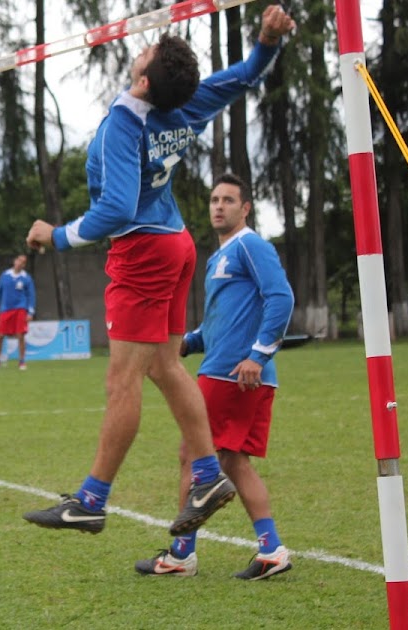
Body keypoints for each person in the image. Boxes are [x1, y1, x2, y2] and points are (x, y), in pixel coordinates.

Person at [22, 6, 296, 547]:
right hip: (176, 244)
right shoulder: (185, 104)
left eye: (145, 53)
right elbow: (243, 76)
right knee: (167, 367)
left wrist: (53, 236)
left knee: (121, 380)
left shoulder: (124, 125)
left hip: (144, 250)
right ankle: (206, 475)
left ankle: (92, 500)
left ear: (144, 79)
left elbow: (116, 211)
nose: (139, 48)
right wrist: (266, 41)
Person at [136, 174, 294, 580]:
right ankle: (271, 549)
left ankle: (180, 554)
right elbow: (217, 324)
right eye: (214, 199)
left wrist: (257, 355)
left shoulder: (251, 245)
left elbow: (281, 297)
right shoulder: (219, 256)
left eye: (228, 200)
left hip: (233, 374)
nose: (218, 206)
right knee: (233, 462)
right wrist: (186, 343)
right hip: (231, 370)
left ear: (245, 209)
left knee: (193, 454)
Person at [0, 254, 36, 371]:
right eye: (19, 260)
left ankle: (22, 361)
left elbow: (31, 295)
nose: (20, 263)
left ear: (24, 265)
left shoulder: (26, 278)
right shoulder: (5, 275)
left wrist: (30, 312)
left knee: (20, 335)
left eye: (23, 262)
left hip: (20, 309)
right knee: (0, 336)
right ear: (14, 261)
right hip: (5, 309)